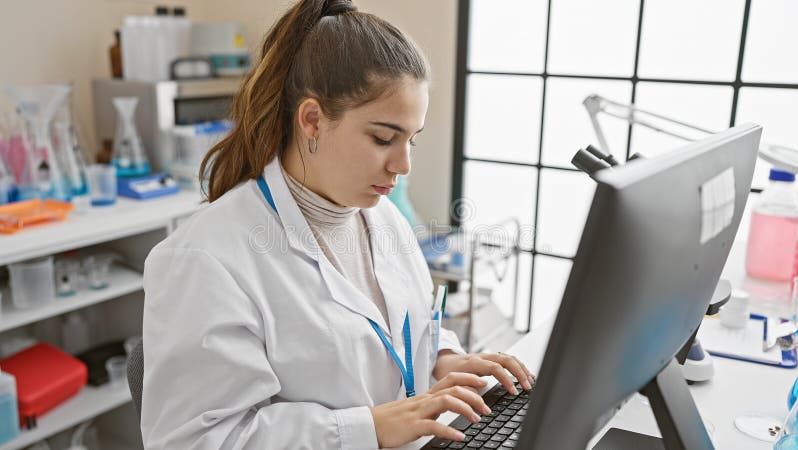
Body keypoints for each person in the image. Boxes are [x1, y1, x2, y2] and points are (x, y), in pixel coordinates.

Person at [140, 0, 534, 448]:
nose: (403, 165)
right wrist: (368, 428)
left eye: (411, 140)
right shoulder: (205, 259)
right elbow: (192, 441)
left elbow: (408, 322)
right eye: (383, 138)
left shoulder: (381, 217)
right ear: (312, 120)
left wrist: (441, 358)